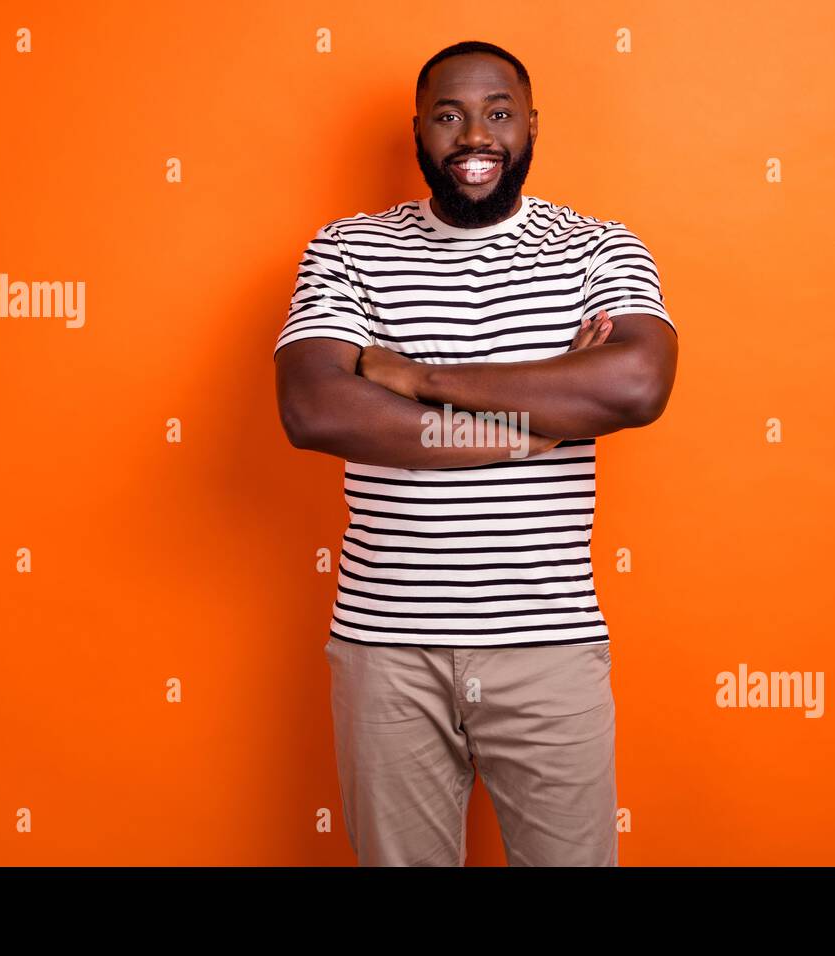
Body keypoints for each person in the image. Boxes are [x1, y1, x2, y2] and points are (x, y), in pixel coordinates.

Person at [274, 40, 678, 866]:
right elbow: (315, 407)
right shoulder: (349, 248)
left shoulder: (596, 247)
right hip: (386, 649)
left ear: (530, 125)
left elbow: (635, 386)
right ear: (418, 130)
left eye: (498, 113)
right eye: (450, 115)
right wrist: (539, 418)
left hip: (550, 644)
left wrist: (410, 376)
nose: (474, 136)